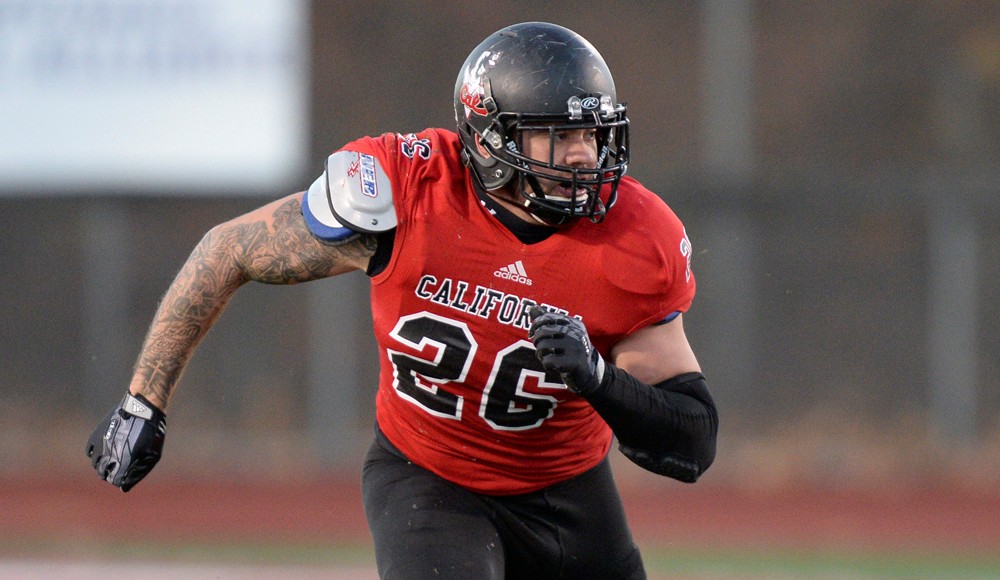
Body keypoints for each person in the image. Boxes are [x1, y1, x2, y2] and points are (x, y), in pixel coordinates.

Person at [86, 21, 718, 579]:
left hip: (564, 489)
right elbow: (226, 251)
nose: (585, 157)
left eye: (592, 134)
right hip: (429, 478)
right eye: (557, 136)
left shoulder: (634, 239)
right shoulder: (409, 194)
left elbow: (693, 444)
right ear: (491, 140)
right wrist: (144, 399)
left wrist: (599, 379)